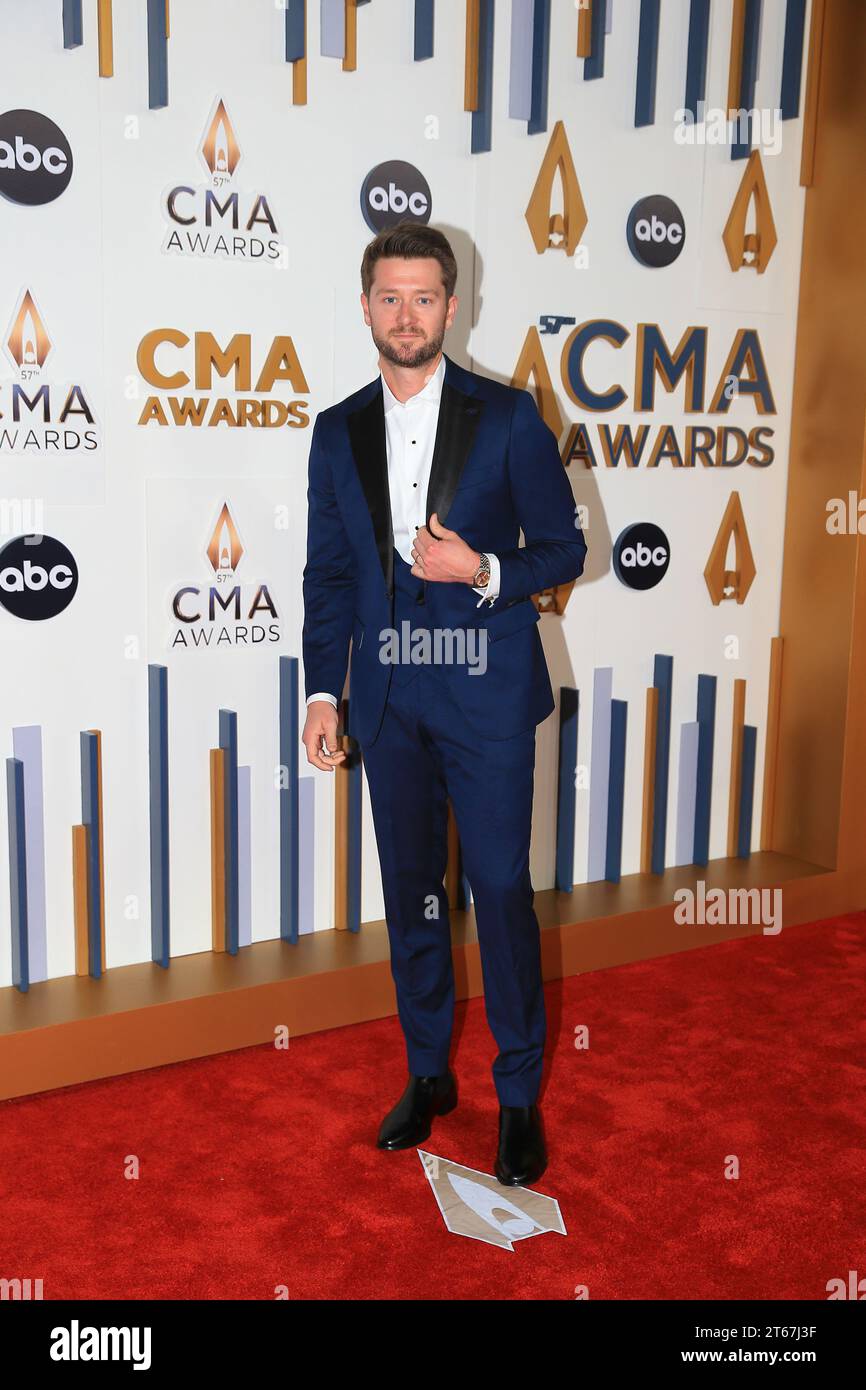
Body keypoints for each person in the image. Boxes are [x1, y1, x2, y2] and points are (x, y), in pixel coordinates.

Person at [301, 221, 587, 1186]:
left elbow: (565, 549)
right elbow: (329, 575)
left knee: (500, 891)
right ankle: (428, 1074)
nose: (406, 314)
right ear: (366, 306)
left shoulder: (507, 417)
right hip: (389, 697)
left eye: (423, 297)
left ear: (451, 307)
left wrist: (484, 570)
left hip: (487, 695)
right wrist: (323, 692)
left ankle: (519, 1097)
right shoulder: (336, 430)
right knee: (412, 893)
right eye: (390, 297)